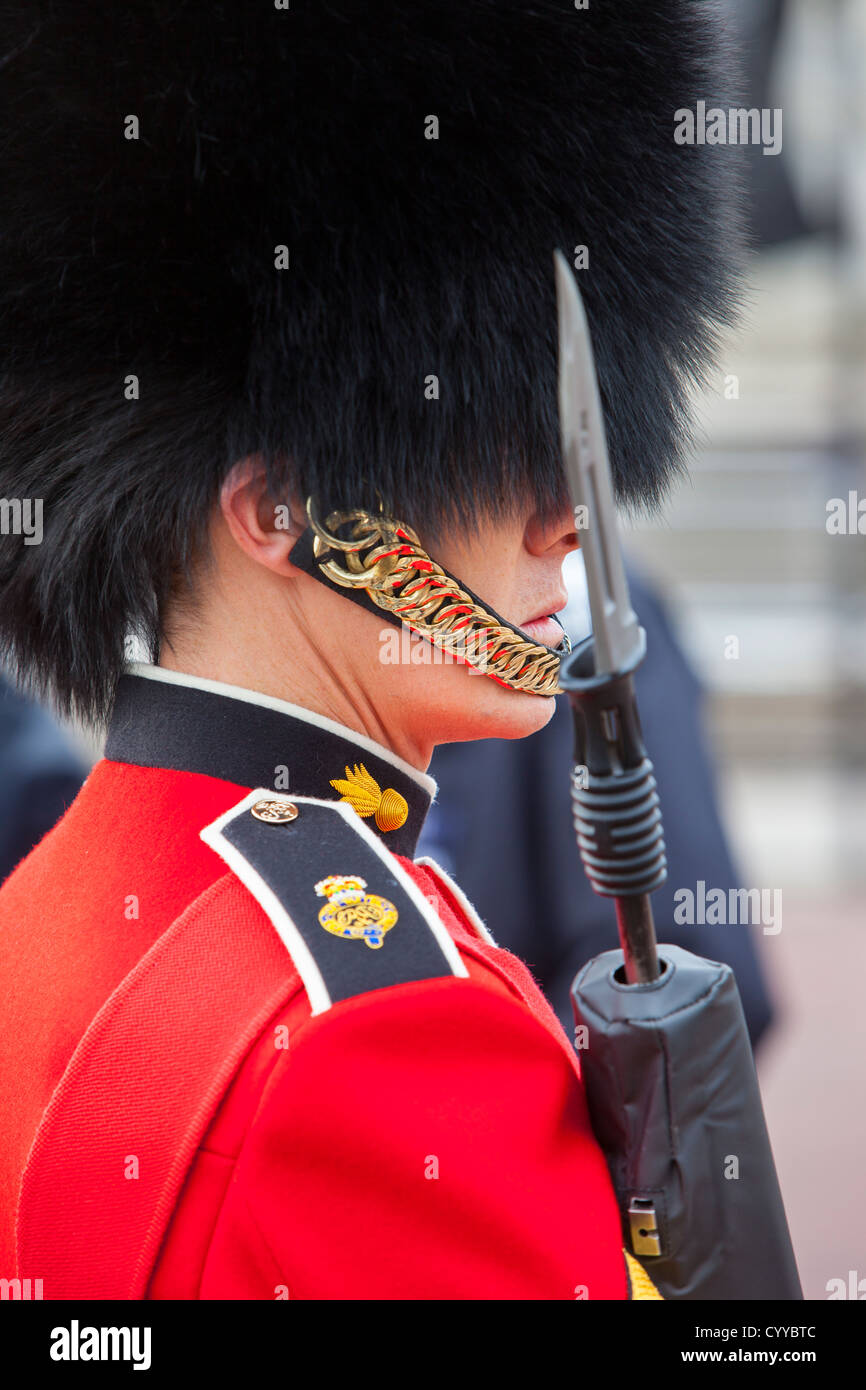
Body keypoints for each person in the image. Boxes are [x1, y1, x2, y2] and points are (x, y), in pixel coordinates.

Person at [0, 4, 742, 1300]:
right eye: (485, 437)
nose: (568, 513)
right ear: (284, 509)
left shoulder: (42, 908)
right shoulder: (387, 1027)